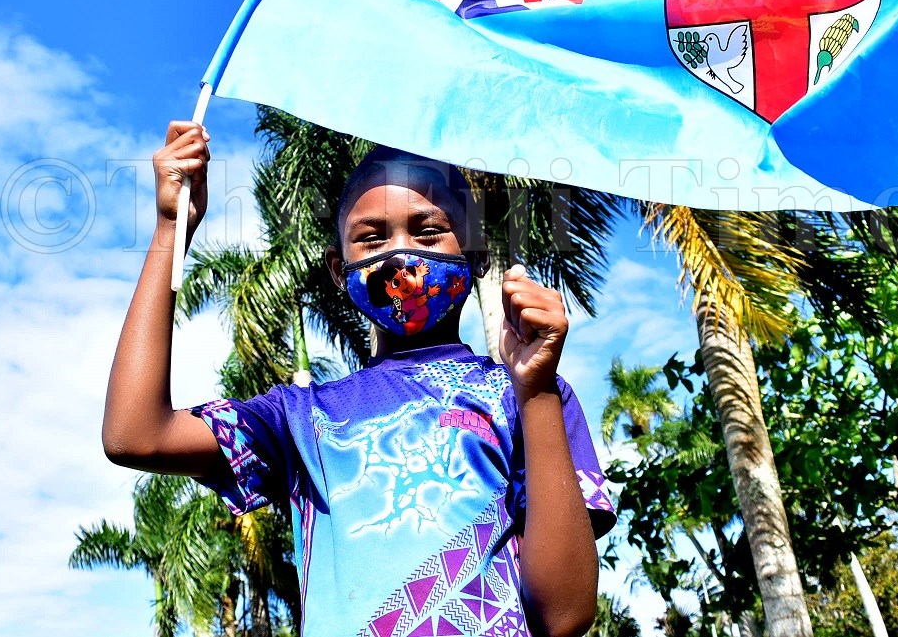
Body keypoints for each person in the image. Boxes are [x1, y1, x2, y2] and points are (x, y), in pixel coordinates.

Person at [103, 121, 615, 637]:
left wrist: (535, 392)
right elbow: (136, 435)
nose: (399, 256)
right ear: (337, 268)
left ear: (477, 254)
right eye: (371, 238)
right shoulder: (299, 418)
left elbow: (565, 614)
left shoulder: (528, 394)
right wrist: (171, 228)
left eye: (427, 231)